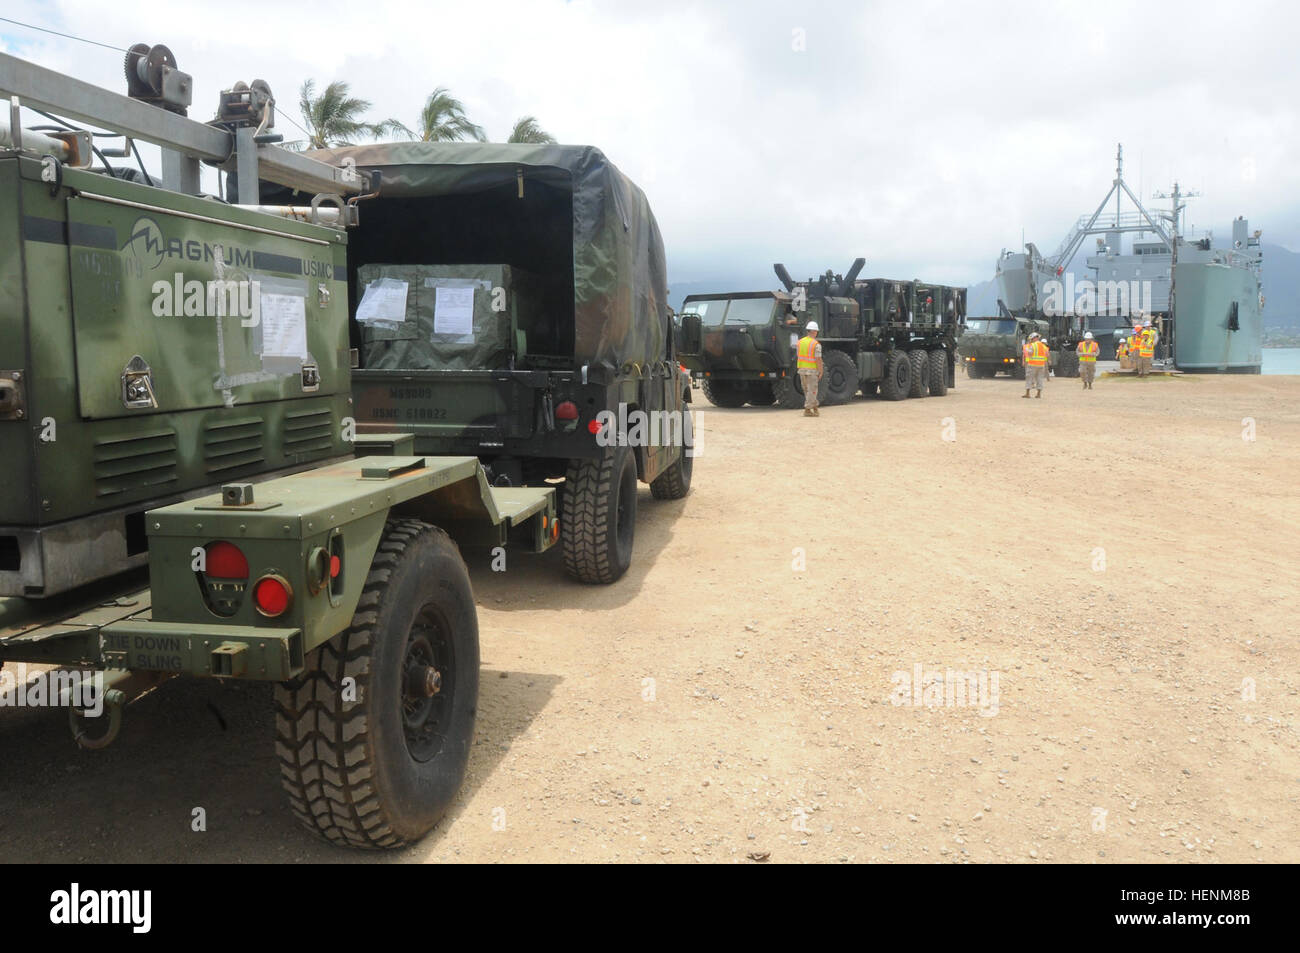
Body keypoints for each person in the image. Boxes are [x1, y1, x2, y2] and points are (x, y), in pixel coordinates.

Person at [796, 321, 824, 416]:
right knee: (812, 391)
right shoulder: (816, 344)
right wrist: (821, 371)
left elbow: (798, 355)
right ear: (814, 331)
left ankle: (815, 407)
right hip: (812, 370)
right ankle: (807, 410)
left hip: (802, 369)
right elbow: (818, 359)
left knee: (807, 391)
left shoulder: (800, 342)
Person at [1022, 332, 1048, 398]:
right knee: (1039, 379)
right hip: (1041, 365)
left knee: (1029, 378)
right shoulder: (1043, 346)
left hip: (1032, 364)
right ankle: (1038, 394)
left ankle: (1027, 393)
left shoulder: (1033, 345)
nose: (1031, 340)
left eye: (1032, 339)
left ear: (1035, 338)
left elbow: (1030, 353)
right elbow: (1046, 355)